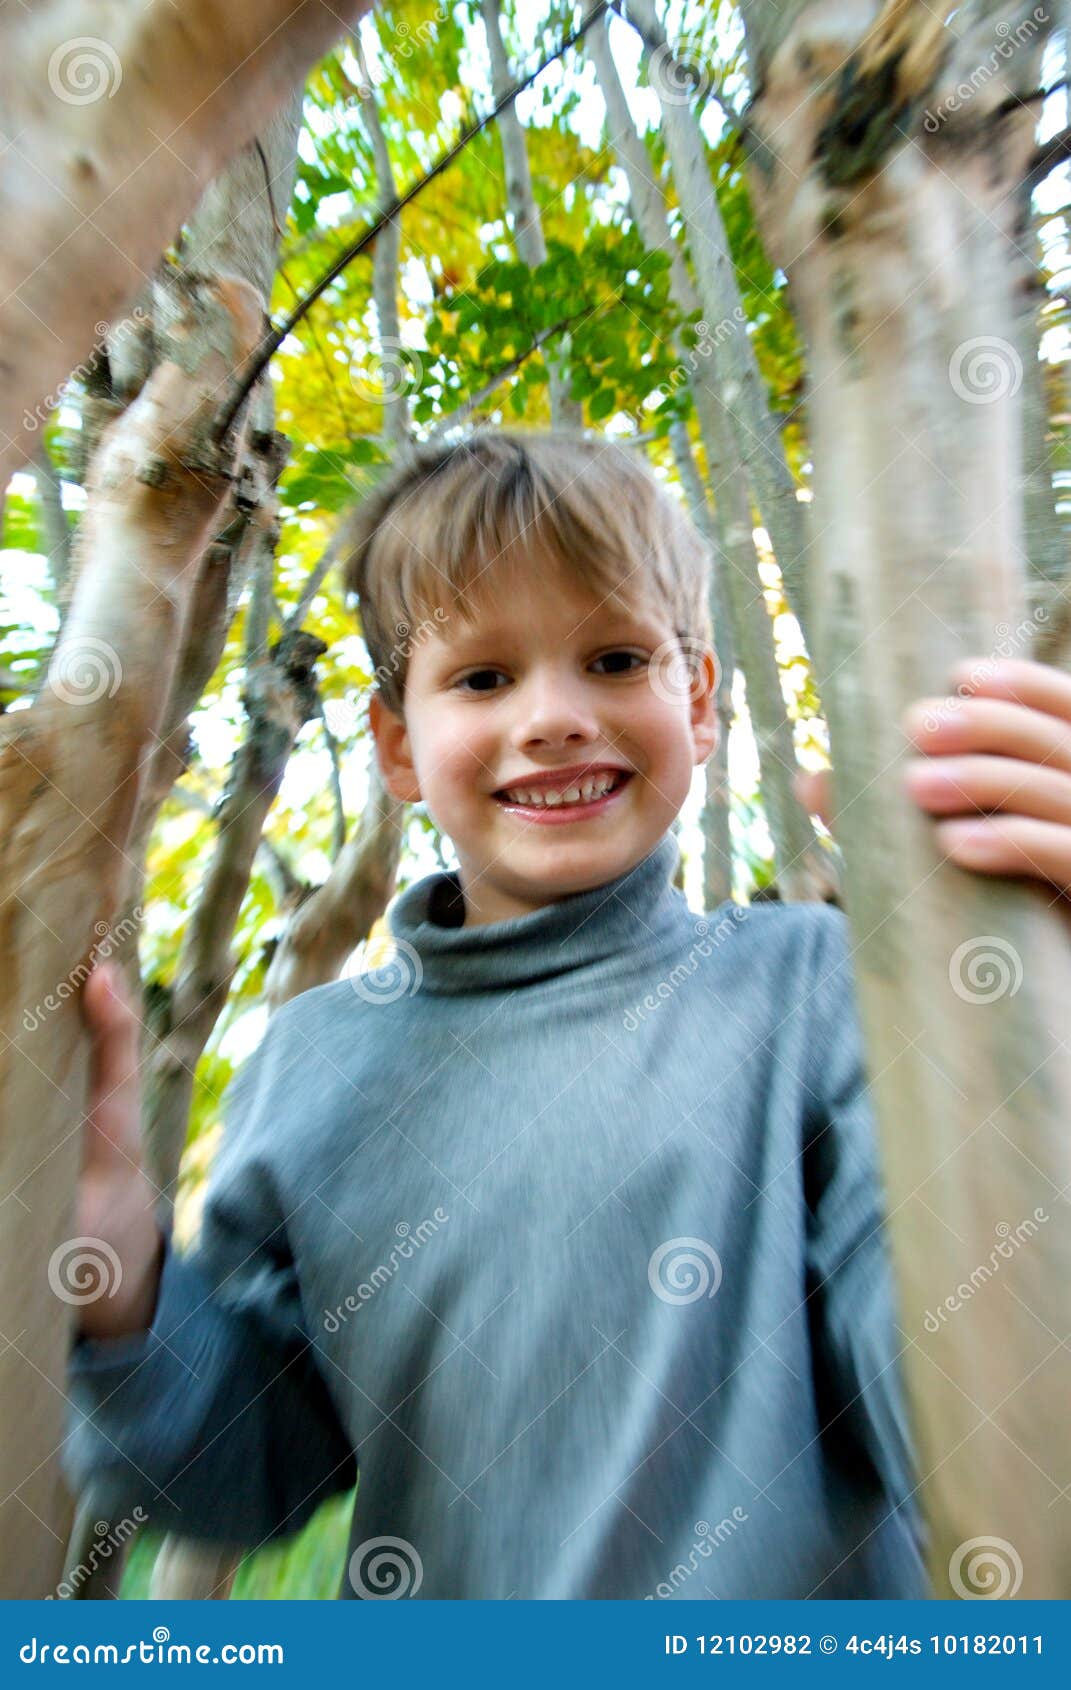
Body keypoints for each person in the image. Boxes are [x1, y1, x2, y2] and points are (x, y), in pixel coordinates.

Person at [64, 431, 1071, 1600]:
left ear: (698, 701)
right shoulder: (317, 1061)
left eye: (615, 658)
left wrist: (1030, 1037)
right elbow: (236, 1474)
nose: (553, 716)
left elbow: (961, 1406)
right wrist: (110, 1254)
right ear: (397, 743)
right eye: (483, 677)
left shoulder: (816, 991)